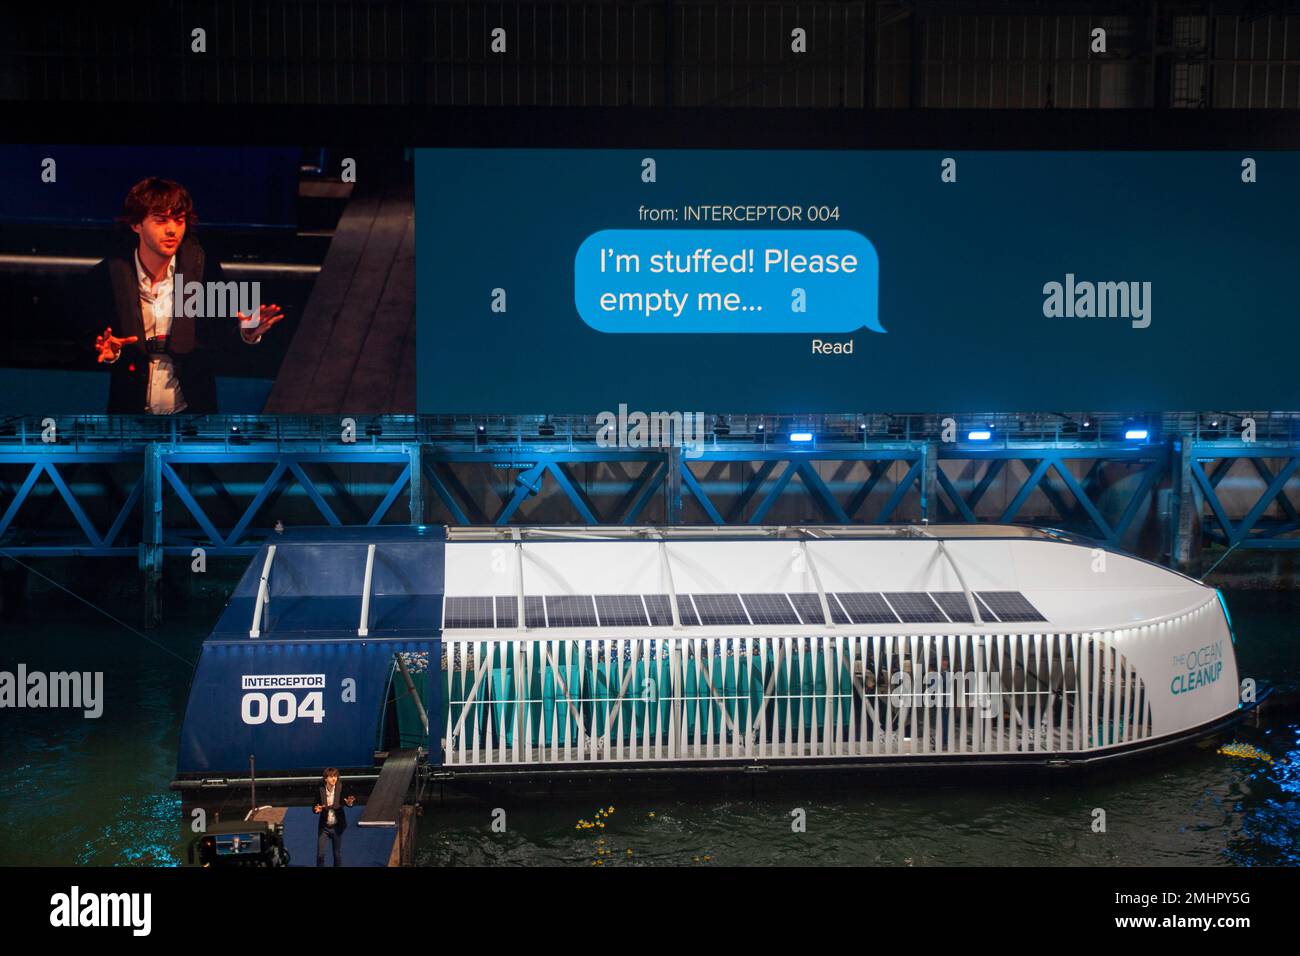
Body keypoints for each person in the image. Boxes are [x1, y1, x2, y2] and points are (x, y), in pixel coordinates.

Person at [88, 177, 285, 414]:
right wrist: (111, 353)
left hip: (192, 414)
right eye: (160, 221)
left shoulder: (203, 268)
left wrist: (246, 333)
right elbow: (83, 343)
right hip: (129, 415)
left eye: (179, 221)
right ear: (136, 224)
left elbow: (222, 337)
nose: (172, 230)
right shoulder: (108, 274)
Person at [314, 767, 356, 867]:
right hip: (324, 827)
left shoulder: (341, 788)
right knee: (320, 854)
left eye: (335, 776)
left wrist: (349, 803)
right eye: (331, 777)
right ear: (325, 779)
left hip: (337, 826)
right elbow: (315, 806)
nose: (334, 779)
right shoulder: (320, 790)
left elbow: (348, 802)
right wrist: (316, 810)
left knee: (336, 854)